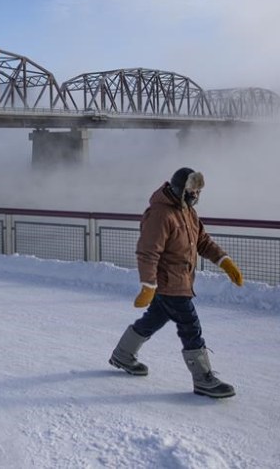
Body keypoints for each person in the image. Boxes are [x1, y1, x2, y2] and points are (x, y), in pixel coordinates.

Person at [107, 167, 244, 398]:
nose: (196, 195)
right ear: (180, 189)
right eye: (193, 190)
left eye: (199, 191)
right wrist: (148, 286)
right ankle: (203, 379)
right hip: (170, 282)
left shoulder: (187, 211)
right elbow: (148, 252)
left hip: (181, 279)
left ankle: (122, 355)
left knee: (154, 319)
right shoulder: (160, 215)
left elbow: (202, 241)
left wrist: (224, 261)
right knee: (190, 325)